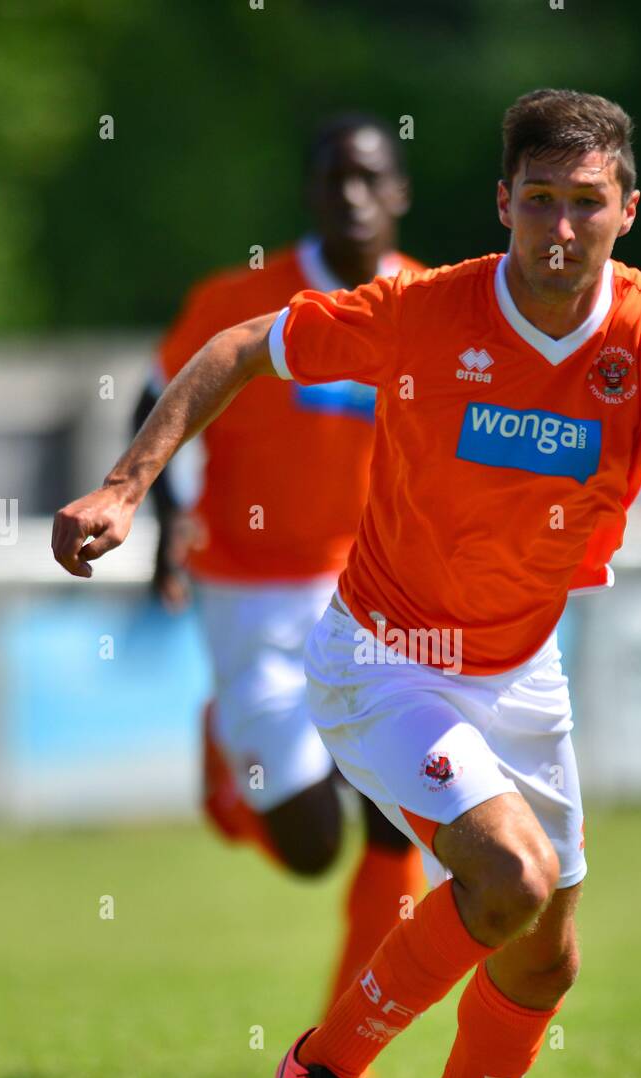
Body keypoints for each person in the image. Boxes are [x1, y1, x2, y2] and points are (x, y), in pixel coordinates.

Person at [52, 88, 641, 1078]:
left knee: (545, 958)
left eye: (587, 203)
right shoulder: (425, 311)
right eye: (540, 200)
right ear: (503, 203)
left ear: (629, 208)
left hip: (522, 673)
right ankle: (323, 1068)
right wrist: (127, 486)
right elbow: (239, 346)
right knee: (510, 876)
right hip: (383, 658)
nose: (561, 227)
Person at [133, 114, 425, 1021]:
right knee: (308, 850)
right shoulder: (240, 297)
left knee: (404, 807)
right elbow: (156, 400)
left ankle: (351, 1033)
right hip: (251, 590)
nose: (352, 194)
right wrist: (164, 519)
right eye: (334, 176)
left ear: (399, 194)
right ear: (309, 192)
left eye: (370, 177)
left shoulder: (432, 301)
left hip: (379, 592)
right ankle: (233, 744)